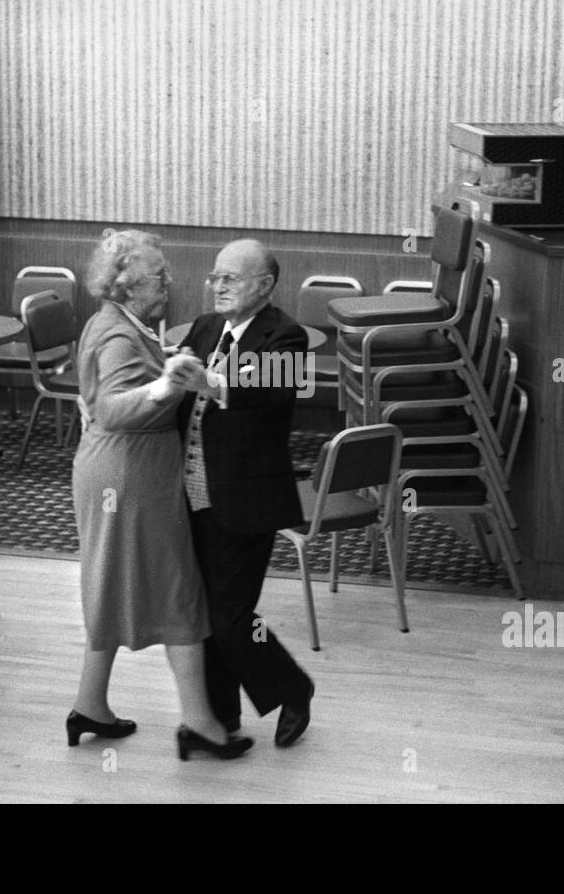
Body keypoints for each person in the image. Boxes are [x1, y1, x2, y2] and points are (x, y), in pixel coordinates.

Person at [69, 229, 253, 761]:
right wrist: (169, 384)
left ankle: (90, 706)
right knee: (179, 590)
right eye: (158, 276)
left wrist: (166, 358)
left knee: (108, 586)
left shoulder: (120, 324)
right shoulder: (119, 336)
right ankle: (199, 721)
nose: (168, 283)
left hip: (122, 474)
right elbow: (113, 409)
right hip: (130, 479)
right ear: (126, 286)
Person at [175, 239, 316, 748]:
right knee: (204, 612)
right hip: (189, 497)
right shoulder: (206, 327)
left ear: (264, 285)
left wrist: (207, 381)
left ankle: (293, 687)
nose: (217, 285)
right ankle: (218, 719)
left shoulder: (287, 337)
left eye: (230, 278)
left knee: (231, 618)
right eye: (215, 276)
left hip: (247, 501)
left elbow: (269, 388)